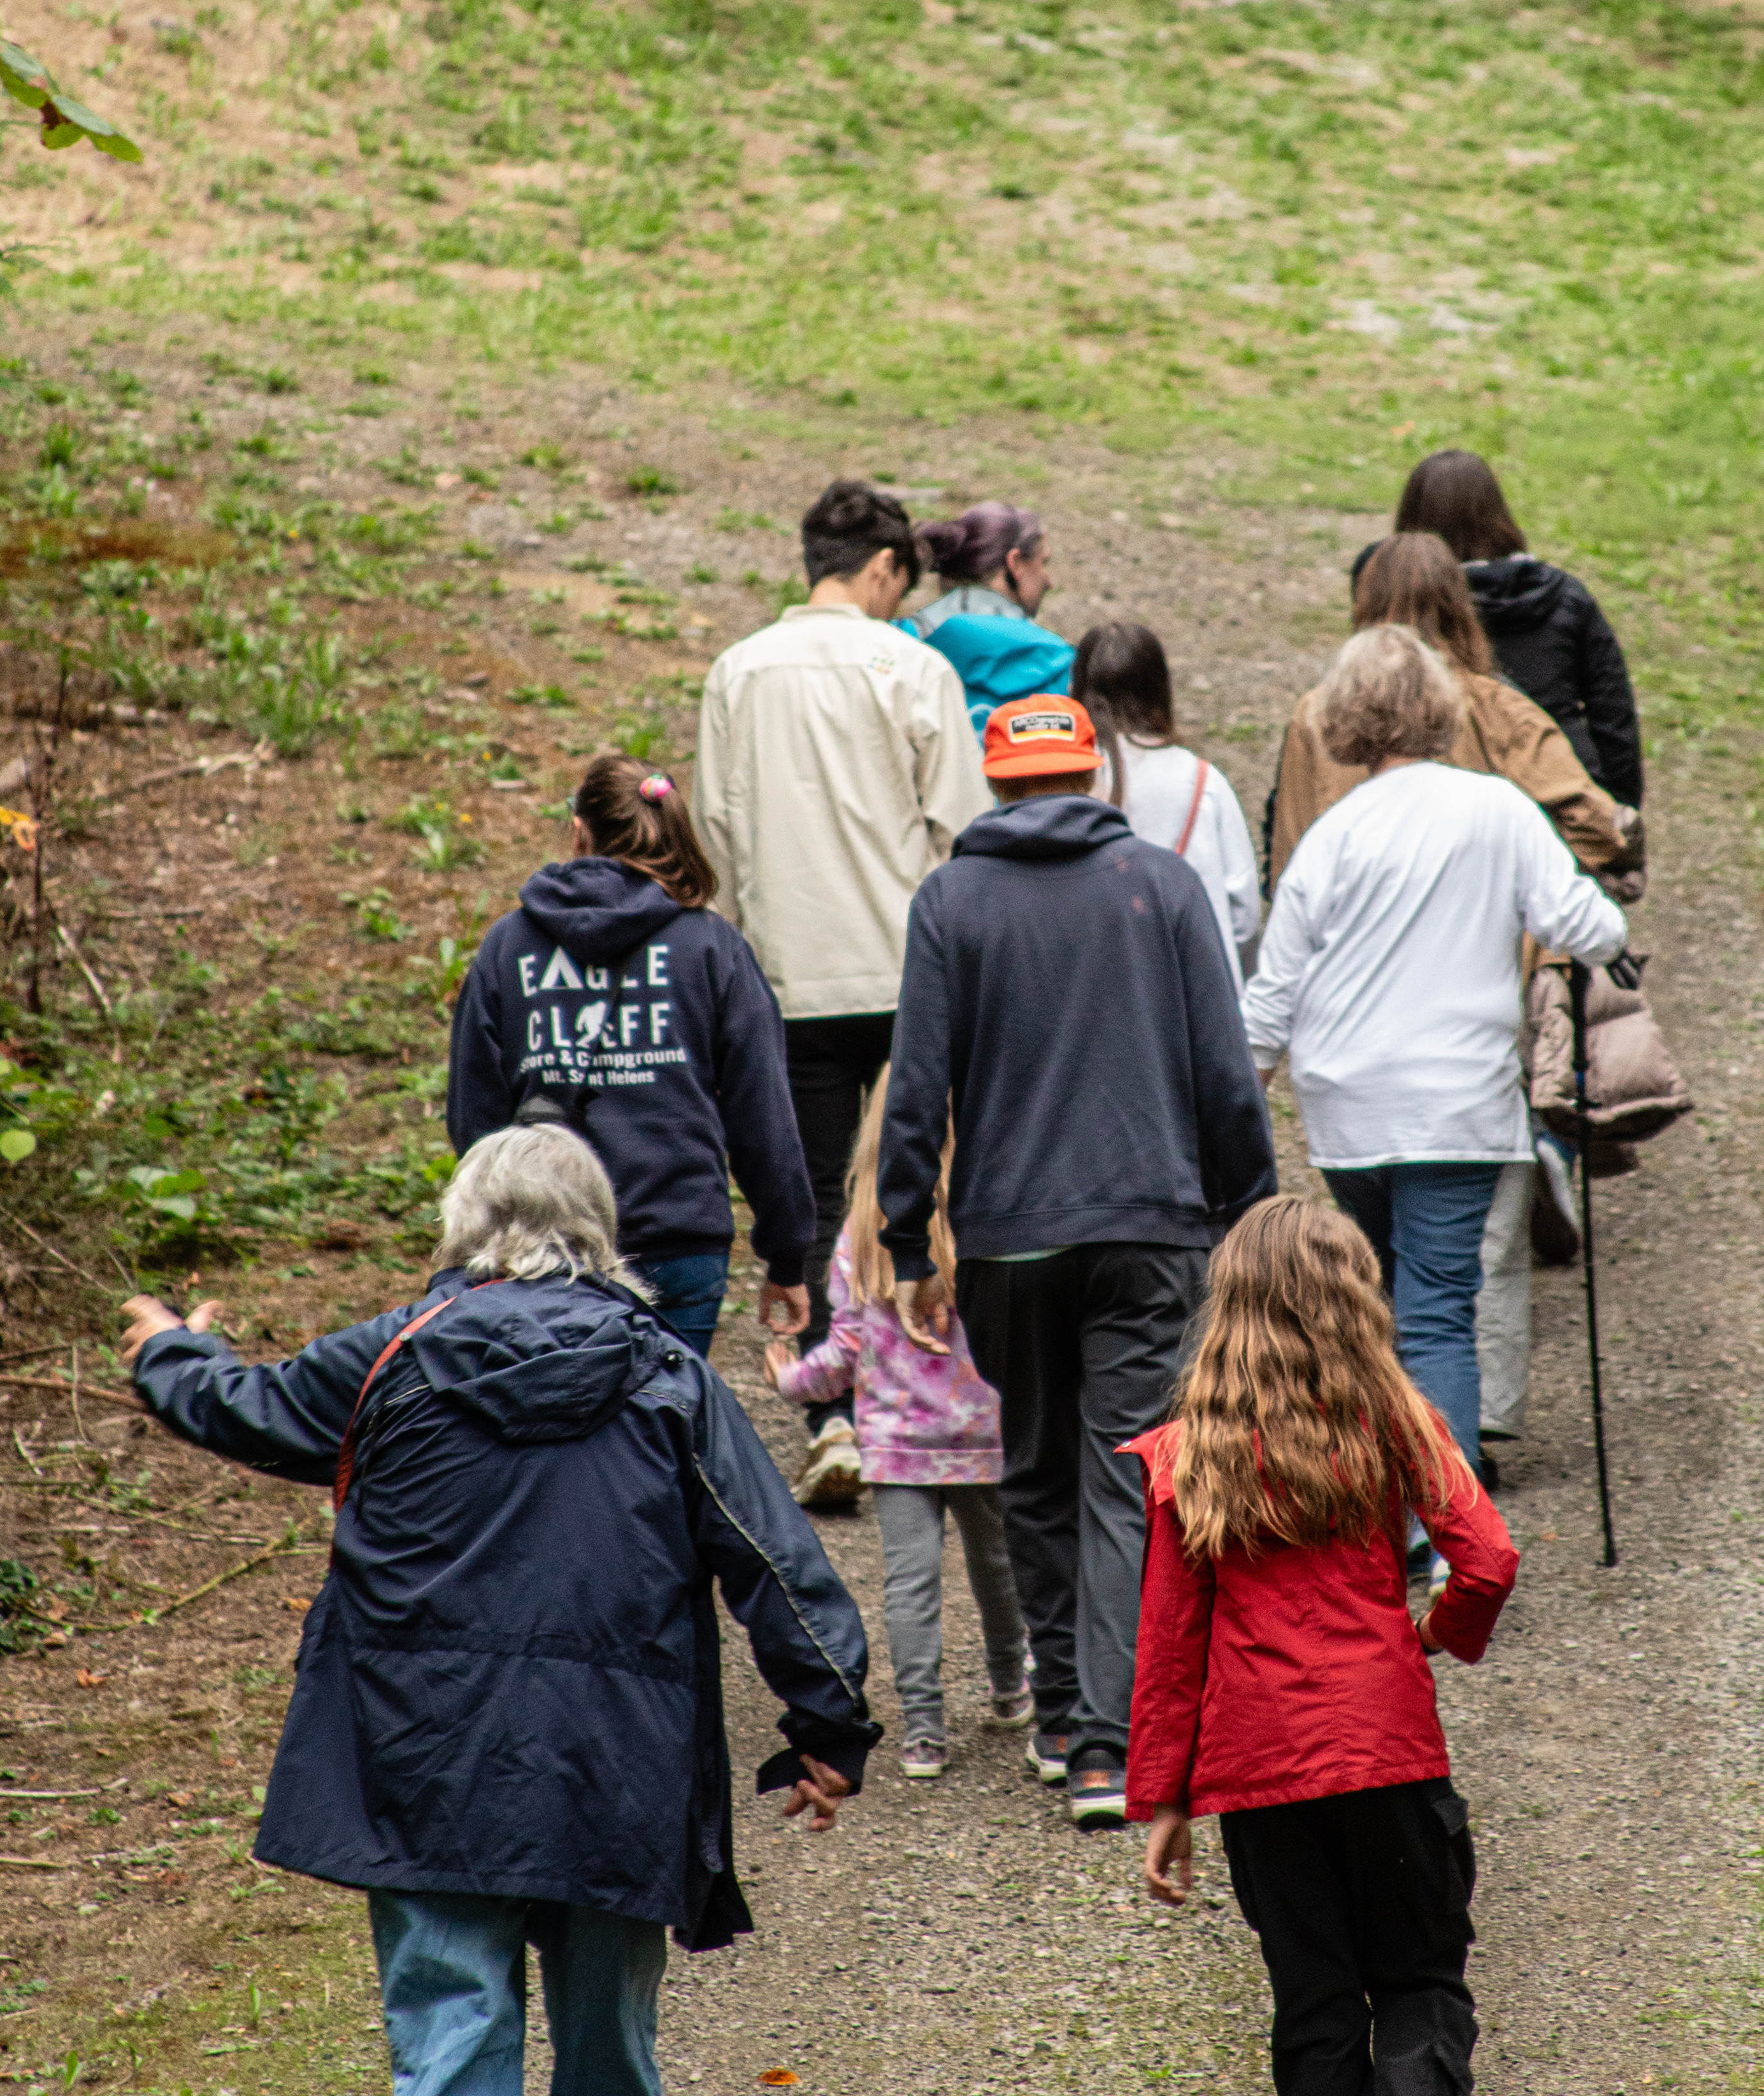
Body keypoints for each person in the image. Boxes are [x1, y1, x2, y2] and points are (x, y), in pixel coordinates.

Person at [117, 1126, 878, 2096]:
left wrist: (168, 1343)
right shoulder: (661, 1374)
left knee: (450, 2038)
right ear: (599, 1228)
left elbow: (238, 1403)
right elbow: (771, 1550)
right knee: (605, 2045)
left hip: (421, 1763)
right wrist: (827, 1717)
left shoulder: (390, 1356)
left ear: (467, 1224)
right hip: (613, 1768)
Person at [1126, 1196, 1519, 2096]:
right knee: (1421, 1978)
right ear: (1357, 1297)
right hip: (1388, 1749)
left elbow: (1170, 1637)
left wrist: (1166, 1798)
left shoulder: (1192, 1447)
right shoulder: (1391, 1417)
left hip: (1261, 1772)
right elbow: (1487, 1554)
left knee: (1313, 2005)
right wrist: (1439, 1632)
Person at [878, 693, 1277, 1829]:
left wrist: (910, 1235)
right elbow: (1223, 1070)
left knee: (1038, 1469)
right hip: (1148, 1229)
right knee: (1119, 1479)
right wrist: (1249, 1209)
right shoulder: (1161, 884)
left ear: (996, 783)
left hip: (1007, 1237)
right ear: (1094, 776)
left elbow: (916, 1087)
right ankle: (1105, 1745)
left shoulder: (952, 898)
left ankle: (1061, 1716)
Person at [1243, 627, 1628, 1484]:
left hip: (1347, 1103)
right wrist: (1612, 929)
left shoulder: (1333, 835)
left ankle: (1386, 1511)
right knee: (1439, 1314)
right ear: (1439, 710)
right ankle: (1445, 1530)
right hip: (1456, 1103)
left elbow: (1274, 985)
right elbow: (1583, 924)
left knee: (1380, 1308)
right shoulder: (1495, 809)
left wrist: (1243, 1092)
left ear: (1346, 718)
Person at [694, 478, 986, 1509]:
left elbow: (715, 831)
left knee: (815, 1195)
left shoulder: (736, 672)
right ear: (882, 570)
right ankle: (939, 1389)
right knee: (928, 1177)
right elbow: (961, 825)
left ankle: (832, 1417)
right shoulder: (911, 663)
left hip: (791, 972)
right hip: (911, 969)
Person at [445, 754, 814, 1360]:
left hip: (540, 1247)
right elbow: (763, 1114)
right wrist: (788, 1253)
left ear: (579, 831)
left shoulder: (510, 945)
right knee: (664, 1430)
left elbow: (475, 1116)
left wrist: (494, 1230)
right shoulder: (711, 946)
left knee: (560, 1430)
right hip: (679, 1240)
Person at [766, 1065, 1031, 1781]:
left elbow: (844, 1351)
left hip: (894, 1444)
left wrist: (791, 1379)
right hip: (983, 1435)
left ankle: (922, 1731)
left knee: (908, 1584)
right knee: (997, 1568)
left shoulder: (860, 1234)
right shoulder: (990, 1213)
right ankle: (1011, 1688)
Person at [1265, 532, 1639, 892]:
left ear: (1365, 605)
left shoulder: (1318, 712)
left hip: (1357, 935)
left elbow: (1293, 855)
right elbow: (1598, 827)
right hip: (1478, 937)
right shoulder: (1499, 708)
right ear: (1458, 607)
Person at [1386, 448, 1645, 810]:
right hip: (1561, 791)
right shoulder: (1566, 596)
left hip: (1452, 798)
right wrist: (1616, 810)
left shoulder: (1408, 604)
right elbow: (1613, 715)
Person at [1071, 619, 1261, 988]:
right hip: (1193, 987)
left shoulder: (1071, 780)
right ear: (1160, 690)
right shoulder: (1204, 783)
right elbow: (1244, 912)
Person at [901, 499, 1075, 735]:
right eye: (1043, 563)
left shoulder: (896, 645)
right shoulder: (1061, 662)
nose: (1049, 582)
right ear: (1015, 564)